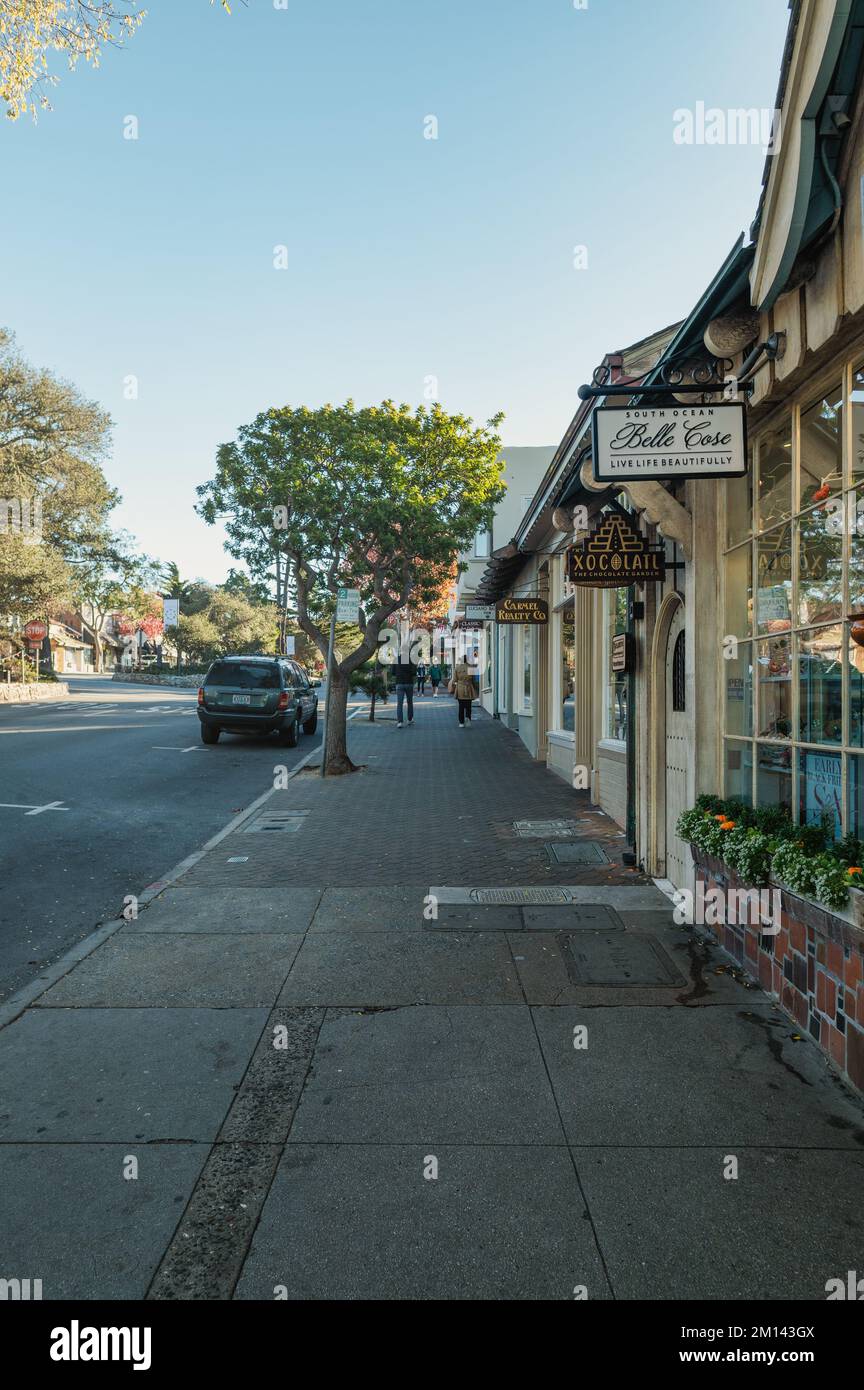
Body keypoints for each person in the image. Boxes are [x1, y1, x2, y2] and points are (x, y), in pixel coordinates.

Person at [449, 659, 476, 726]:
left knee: (461, 706)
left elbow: (455, 680)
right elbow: (473, 679)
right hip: (469, 687)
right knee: (469, 706)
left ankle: (461, 723)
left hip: (460, 688)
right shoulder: (471, 667)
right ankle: (468, 719)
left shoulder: (457, 668)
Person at [391, 656, 416, 726]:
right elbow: (414, 672)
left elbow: (392, 672)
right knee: (410, 702)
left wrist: (398, 673)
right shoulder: (411, 659)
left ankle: (400, 722)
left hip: (399, 683)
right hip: (409, 683)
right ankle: (410, 720)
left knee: (399, 703)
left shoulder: (396, 659)